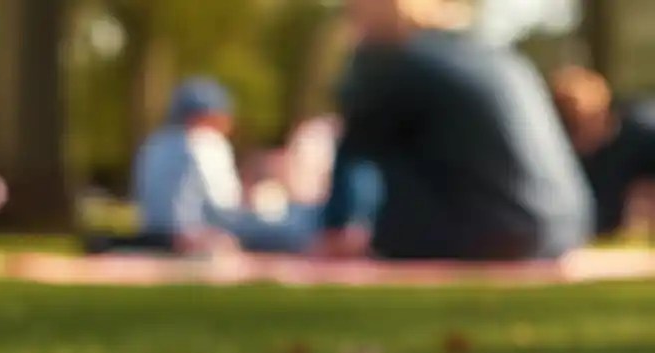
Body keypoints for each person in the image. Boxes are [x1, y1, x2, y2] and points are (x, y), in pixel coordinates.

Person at [323, 0, 593, 261]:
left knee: (292, 225)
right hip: (563, 231)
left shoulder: (390, 61)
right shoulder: (497, 55)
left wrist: (335, 227)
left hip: (479, 235)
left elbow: (352, 154)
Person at [90, 79, 339, 255]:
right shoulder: (206, 142)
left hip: (153, 231)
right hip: (195, 235)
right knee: (298, 225)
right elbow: (223, 207)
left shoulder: (154, 143)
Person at [552, 66, 655, 238]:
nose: (577, 135)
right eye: (569, 125)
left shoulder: (643, 139)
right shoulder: (562, 155)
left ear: (602, 113)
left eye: (580, 123)